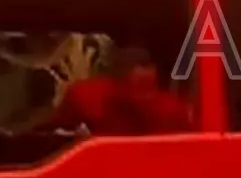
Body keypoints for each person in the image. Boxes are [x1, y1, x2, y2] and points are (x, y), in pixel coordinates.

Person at [56, 44, 194, 136]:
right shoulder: (88, 98)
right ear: (116, 75)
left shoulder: (172, 112)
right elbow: (55, 135)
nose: (143, 94)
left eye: (147, 85)